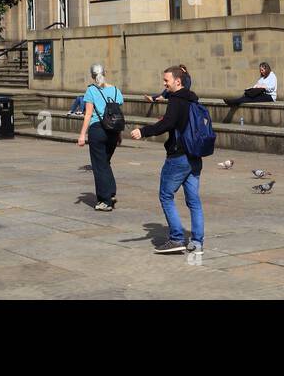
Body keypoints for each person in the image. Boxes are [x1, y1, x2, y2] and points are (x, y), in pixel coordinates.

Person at [131, 65, 204, 255]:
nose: (164, 84)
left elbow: (168, 124)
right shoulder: (193, 99)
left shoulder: (176, 100)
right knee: (194, 201)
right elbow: (180, 122)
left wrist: (143, 131)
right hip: (195, 156)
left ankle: (176, 238)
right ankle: (197, 243)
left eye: (166, 81)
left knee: (166, 195)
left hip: (178, 156)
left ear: (177, 81)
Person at [76, 63, 123, 211]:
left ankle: (105, 200)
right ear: (105, 72)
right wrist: (119, 133)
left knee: (99, 165)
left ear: (92, 76)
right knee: (105, 162)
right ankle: (111, 192)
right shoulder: (116, 90)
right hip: (114, 132)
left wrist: (82, 134)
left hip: (98, 130)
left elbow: (88, 114)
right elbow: (117, 114)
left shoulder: (91, 90)